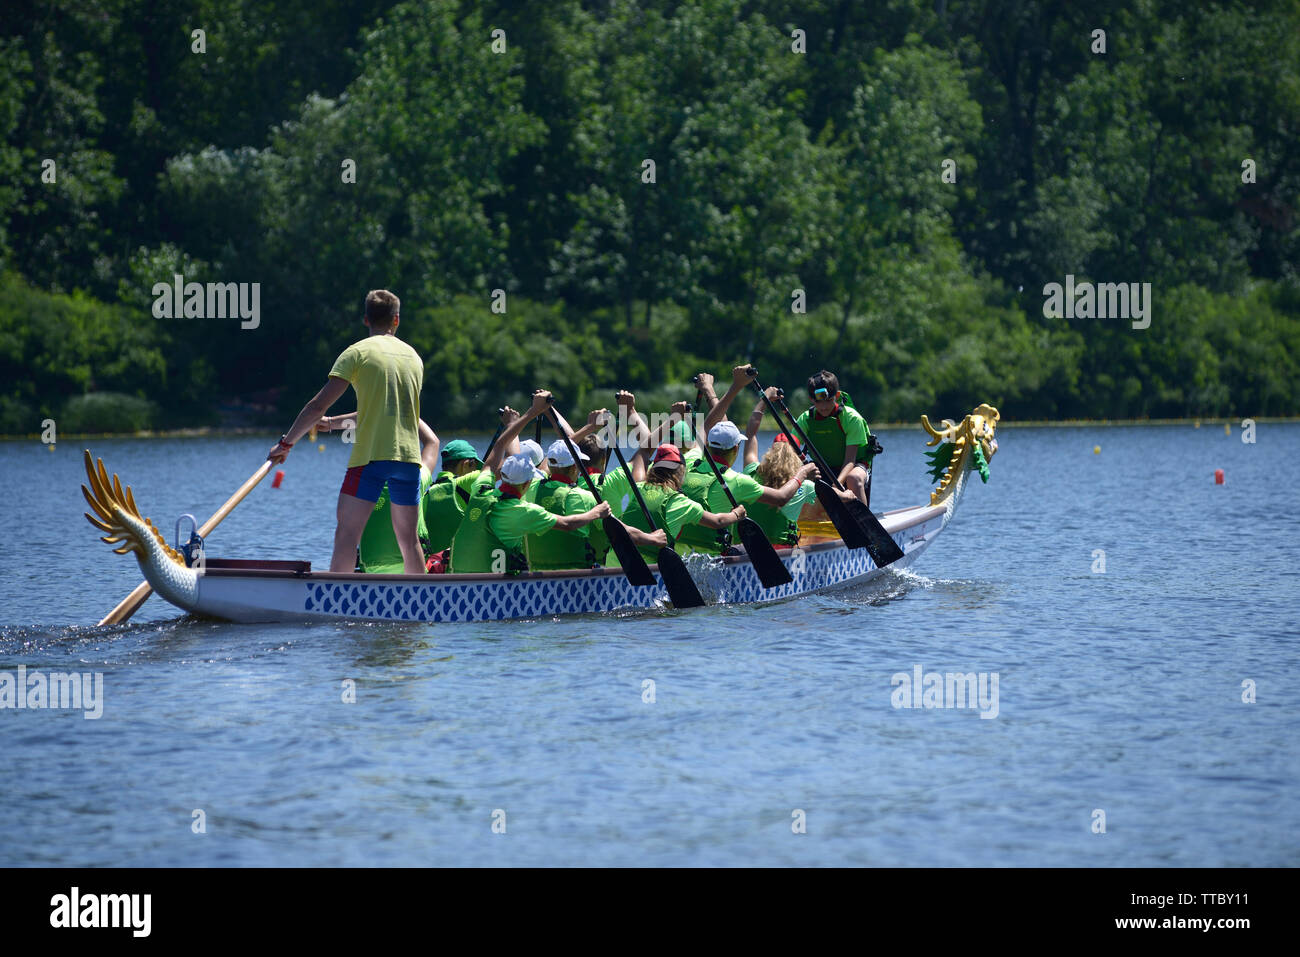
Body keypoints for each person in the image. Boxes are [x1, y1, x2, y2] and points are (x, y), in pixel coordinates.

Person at [267, 289, 425, 574]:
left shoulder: (357, 353)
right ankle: (421, 607)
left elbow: (316, 405)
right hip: (409, 460)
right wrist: (332, 423)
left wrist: (286, 443)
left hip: (370, 460)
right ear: (397, 320)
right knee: (408, 540)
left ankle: (338, 606)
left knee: (347, 535)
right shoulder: (413, 358)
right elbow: (381, 412)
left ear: (366, 319)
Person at [448, 391, 613, 574]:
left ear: (502, 474)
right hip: (489, 591)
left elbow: (499, 446)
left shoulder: (481, 489)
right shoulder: (522, 511)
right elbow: (567, 525)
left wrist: (531, 413)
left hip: (455, 580)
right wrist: (597, 512)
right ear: (527, 483)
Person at [616, 443, 745, 564]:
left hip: (616, 559)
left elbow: (641, 457)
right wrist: (737, 514)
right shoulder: (678, 502)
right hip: (645, 568)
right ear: (681, 472)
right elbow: (718, 522)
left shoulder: (638, 488)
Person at [742, 393, 817, 546]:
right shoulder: (806, 485)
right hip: (782, 549)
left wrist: (764, 400)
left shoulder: (751, 471)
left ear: (771, 452)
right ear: (796, 456)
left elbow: (750, 434)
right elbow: (840, 500)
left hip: (749, 545)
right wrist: (848, 494)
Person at [794, 370, 878, 507]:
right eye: (818, 402)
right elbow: (790, 449)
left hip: (854, 464)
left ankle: (864, 522)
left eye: (829, 400)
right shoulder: (805, 419)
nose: (824, 406)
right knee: (795, 478)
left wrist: (835, 486)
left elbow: (850, 460)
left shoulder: (851, 418)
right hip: (822, 467)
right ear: (811, 400)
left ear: (837, 395)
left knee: (853, 478)